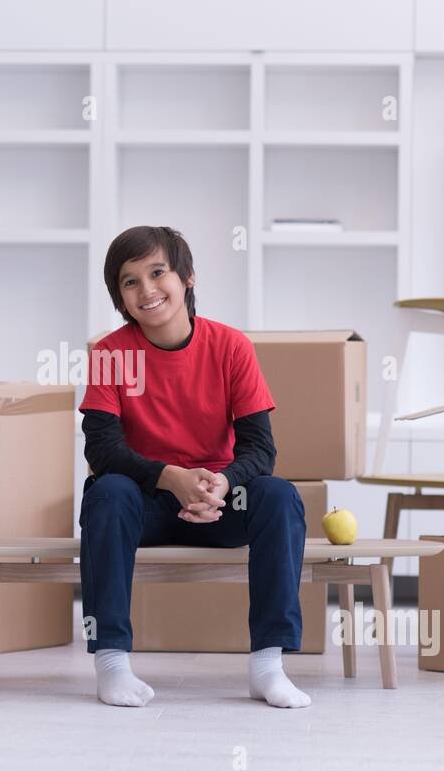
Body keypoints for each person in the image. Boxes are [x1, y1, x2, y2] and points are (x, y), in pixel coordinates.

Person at [79, 225, 310, 709]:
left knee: (279, 495)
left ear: (187, 278)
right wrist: (170, 478)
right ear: (119, 297)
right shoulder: (110, 354)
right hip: (146, 505)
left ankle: (268, 665)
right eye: (130, 281)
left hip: (219, 501)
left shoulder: (231, 347)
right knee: (106, 492)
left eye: (157, 273)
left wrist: (221, 483)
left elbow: (260, 448)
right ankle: (112, 663)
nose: (147, 290)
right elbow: (101, 449)